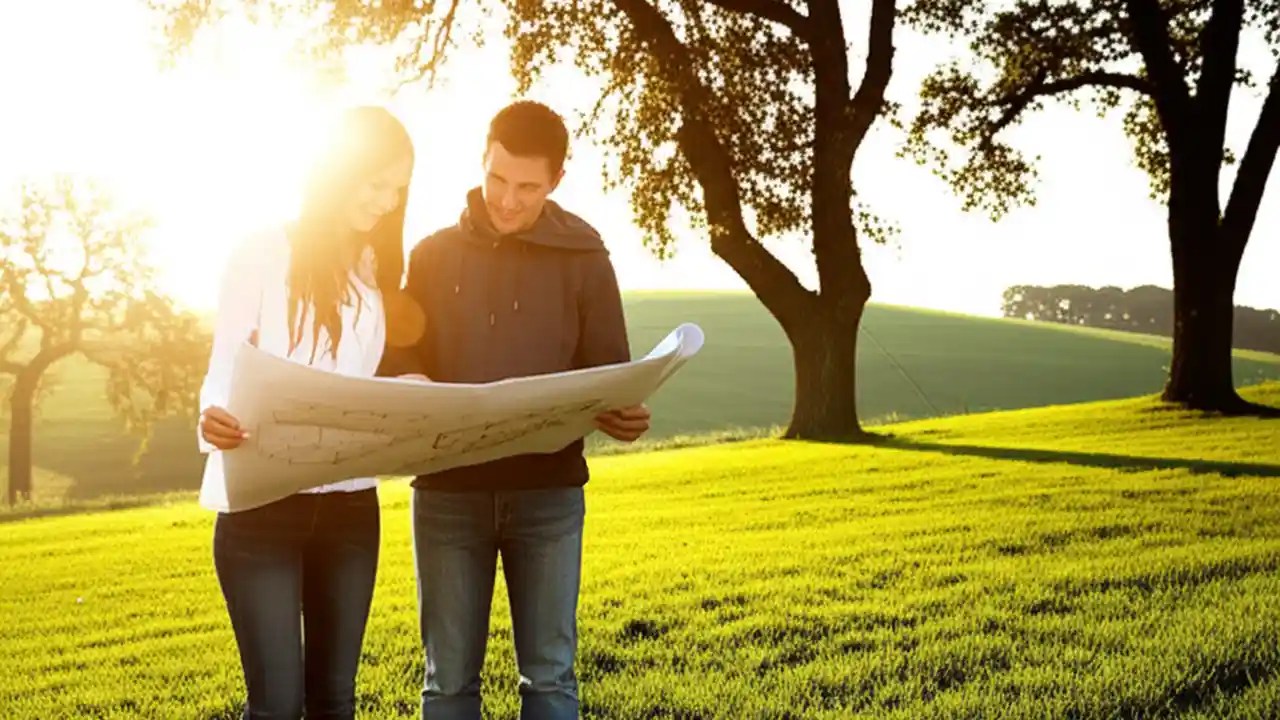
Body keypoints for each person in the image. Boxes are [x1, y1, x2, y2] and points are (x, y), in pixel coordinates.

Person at [380, 100, 652, 719]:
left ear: (556, 181)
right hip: (448, 495)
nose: (507, 200)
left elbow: (611, 371)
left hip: (548, 496)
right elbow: (397, 357)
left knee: (550, 679)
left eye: (528, 187)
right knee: (447, 682)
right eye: (497, 178)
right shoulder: (430, 255)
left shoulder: (585, 256)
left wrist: (624, 415)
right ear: (482, 160)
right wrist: (411, 376)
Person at [196, 106, 422, 720]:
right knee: (276, 706)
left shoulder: (375, 273)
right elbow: (224, 365)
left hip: (352, 509)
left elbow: (361, 379)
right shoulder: (263, 251)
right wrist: (212, 415)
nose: (385, 201)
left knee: (334, 702)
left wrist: (411, 389)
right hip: (262, 507)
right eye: (375, 183)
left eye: (396, 190)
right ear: (338, 172)